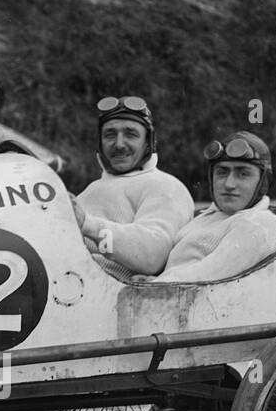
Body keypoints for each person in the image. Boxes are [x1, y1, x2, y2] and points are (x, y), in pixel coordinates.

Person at [70, 96, 195, 276]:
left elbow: (152, 256)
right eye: (110, 135)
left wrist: (89, 225)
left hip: (111, 295)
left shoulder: (165, 186)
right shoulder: (90, 190)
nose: (119, 144)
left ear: (148, 143)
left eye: (130, 134)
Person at [149, 131, 276, 282]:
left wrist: (155, 285)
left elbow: (206, 276)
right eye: (222, 172)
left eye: (243, 174)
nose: (229, 184)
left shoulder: (261, 223)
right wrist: (153, 279)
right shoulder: (205, 217)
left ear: (263, 181)